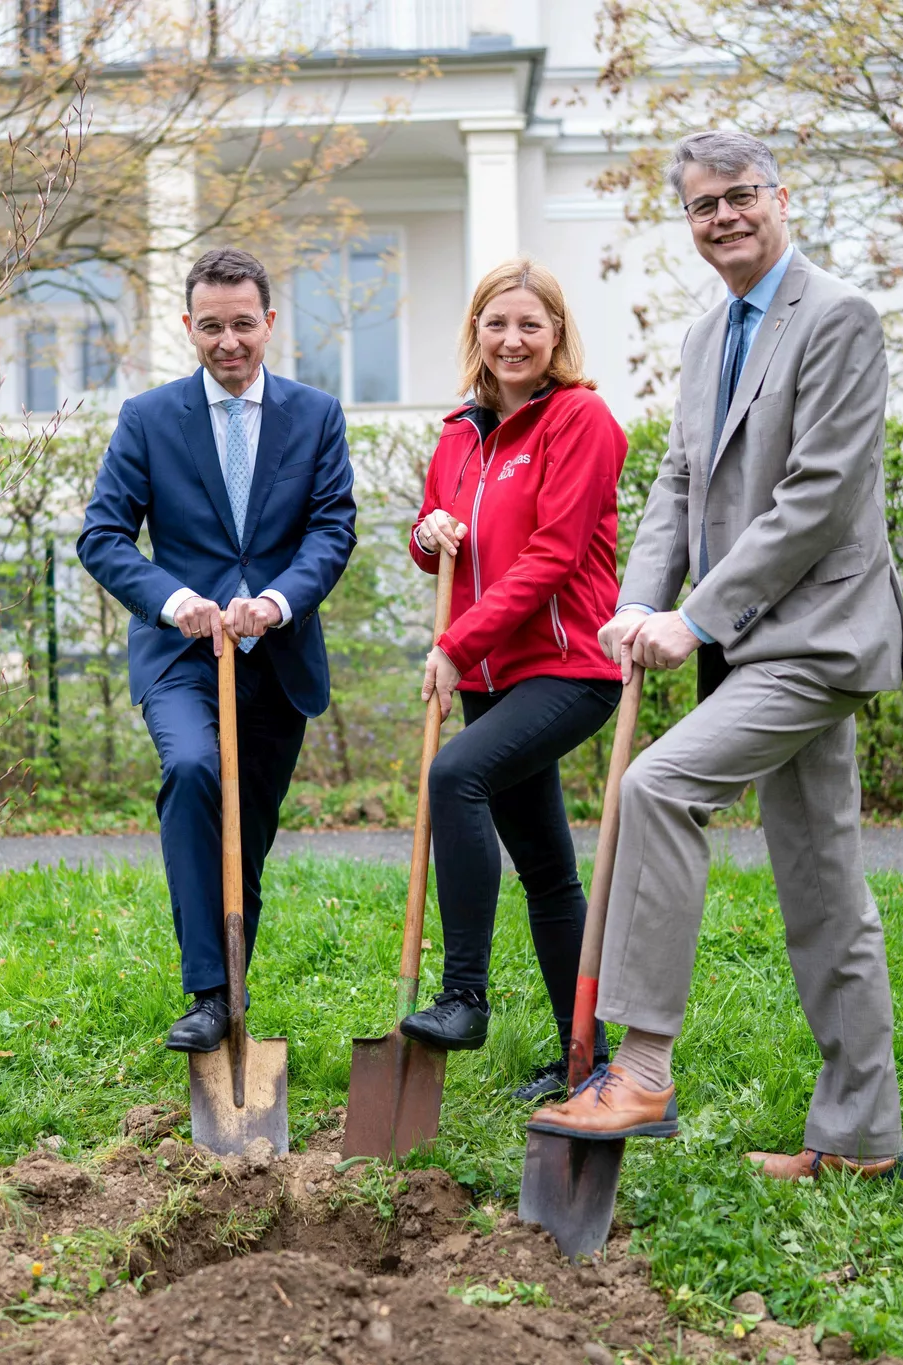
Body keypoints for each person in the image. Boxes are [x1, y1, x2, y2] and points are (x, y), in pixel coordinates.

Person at [527, 131, 903, 1180]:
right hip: (747, 643)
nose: (722, 219)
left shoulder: (836, 318)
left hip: (815, 635)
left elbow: (816, 498)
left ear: (779, 198)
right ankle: (857, 1142)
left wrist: (694, 618)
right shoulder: (709, 335)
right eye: (701, 207)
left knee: (655, 788)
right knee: (823, 887)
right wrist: (637, 601)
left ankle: (642, 1070)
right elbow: (676, 485)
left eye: (738, 196)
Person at [77, 247, 357, 1053]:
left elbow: (331, 529)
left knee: (249, 835)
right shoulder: (149, 418)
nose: (228, 342)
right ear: (188, 326)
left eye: (243, 324)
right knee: (196, 771)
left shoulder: (316, 416)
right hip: (181, 654)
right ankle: (206, 994)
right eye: (211, 326)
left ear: (269, 323)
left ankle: (232, 989)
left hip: (277, 653)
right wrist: (174, 599)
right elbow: (102, 535)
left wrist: (275, 601)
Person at [397, 258, 628, 1103]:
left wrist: (457, 643)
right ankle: (585, 1054)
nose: (513, 339)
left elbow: (554, 556)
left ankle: (463, 995)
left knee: (456, 774)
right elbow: (431, 543)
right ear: (477, 335)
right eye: (497, 324)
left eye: (531, 324)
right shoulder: (460, 431)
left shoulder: (581, 419)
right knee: (544, 865)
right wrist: (431, 531)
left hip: (569, 664)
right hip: (494, 672)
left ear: (556, 334)